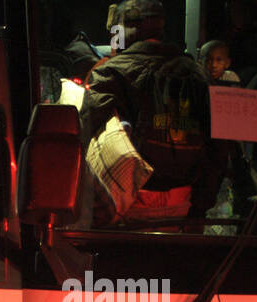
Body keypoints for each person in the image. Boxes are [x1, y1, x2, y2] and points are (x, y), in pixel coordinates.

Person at [80, 0, 229, 229]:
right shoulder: (200, 76)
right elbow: (220, 150)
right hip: (184, 209)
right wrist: (198, 208)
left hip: (126, 213)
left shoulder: (111, 72)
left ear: (126, 30)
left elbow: (84, 135)